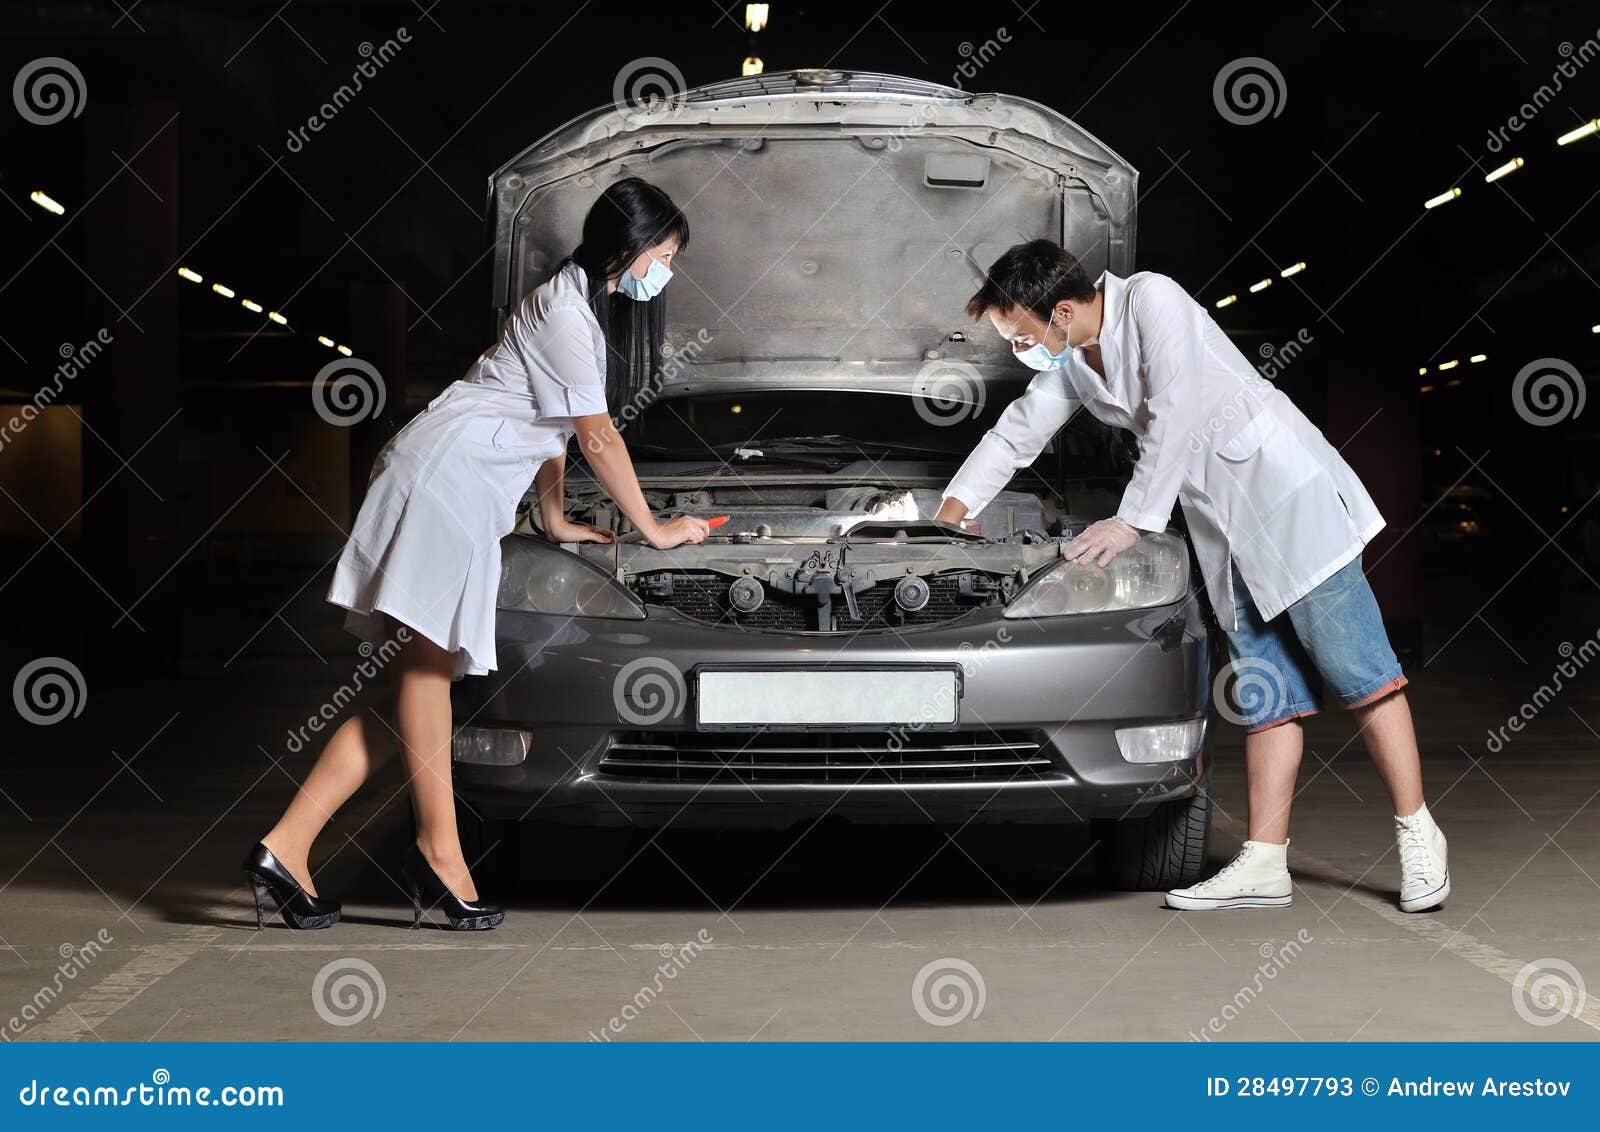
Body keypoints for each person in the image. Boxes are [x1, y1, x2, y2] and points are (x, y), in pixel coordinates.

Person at [243, 178, 710, 931]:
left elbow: (550, 431)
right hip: (446, 485)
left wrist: (556, 523)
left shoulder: (572, 307)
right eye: (665, 254)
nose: (668, 271)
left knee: (408, 692)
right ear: (629, 249)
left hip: (449, 479)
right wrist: (654, 529)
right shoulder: (566, 312)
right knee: (429, 679)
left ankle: (286, 847)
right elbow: (596, 436)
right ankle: (439, 856)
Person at [934, 239, 1449, 913]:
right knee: (1269, 691)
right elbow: (1015, 433)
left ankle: (1419, 835)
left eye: (1020, 334)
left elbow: (1173, 415)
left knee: (1363, 675)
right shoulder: (1074, 364)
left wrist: (1133, 522)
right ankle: (1265, 862)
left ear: (1059, 312)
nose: (1017, 349)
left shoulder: (1154, 299)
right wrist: (949, 517)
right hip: (1222, 525)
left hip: (1285, 501)